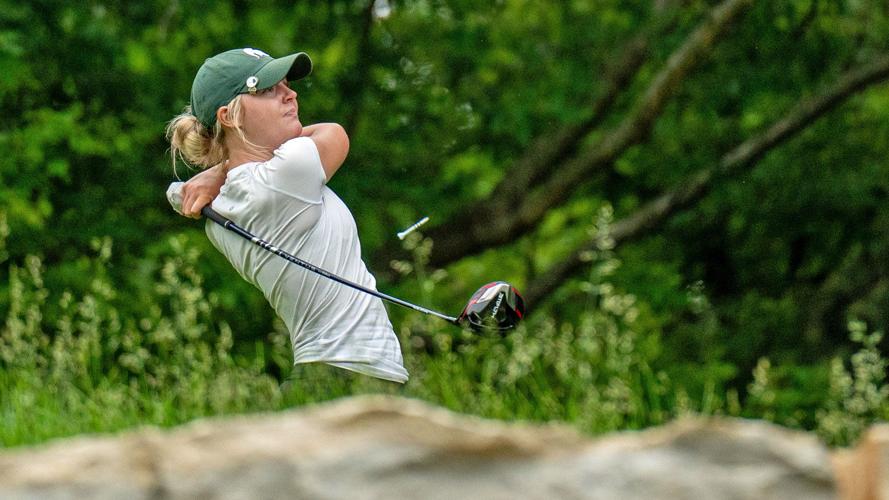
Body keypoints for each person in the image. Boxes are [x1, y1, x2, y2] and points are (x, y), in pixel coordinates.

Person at [165, 47, 409, 386]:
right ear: (229, 117)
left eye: (285, 85)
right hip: (352, 371)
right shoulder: (285, 176)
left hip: (329, 371)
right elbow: (335, 134)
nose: (290, 94)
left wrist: (218, 171)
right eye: (267, 89)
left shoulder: (223, 204)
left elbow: (180, 194)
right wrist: (217, 172)